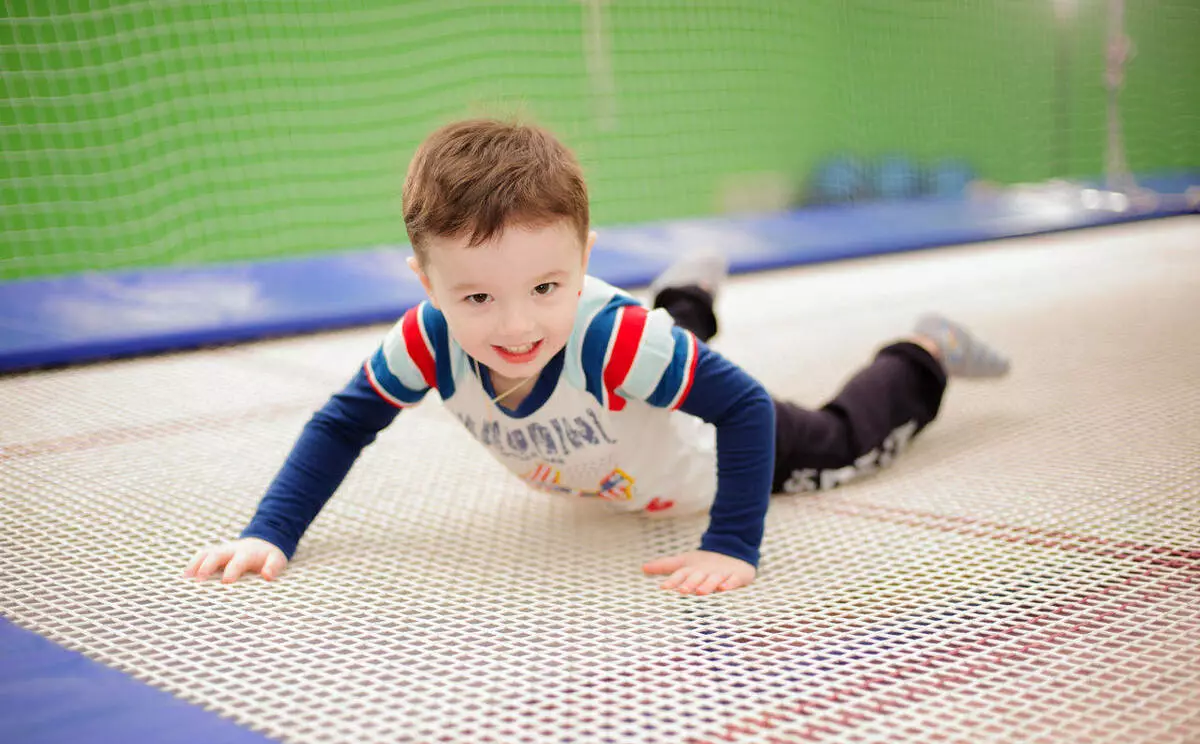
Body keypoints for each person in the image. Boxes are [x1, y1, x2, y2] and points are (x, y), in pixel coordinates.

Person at [185, 119, 1009, 595]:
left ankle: (921, 349)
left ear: (585, 260)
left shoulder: (607, 339)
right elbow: (342, 423)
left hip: (700, 460)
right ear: (424, 282)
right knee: (647, 353)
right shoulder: (426, 341)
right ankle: (684, 300)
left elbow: (745, 408)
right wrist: (273, 529)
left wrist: (731, 541)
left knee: (843, 441)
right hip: (629, 390)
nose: (513, 325)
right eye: (476, 297)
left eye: (548, 285)